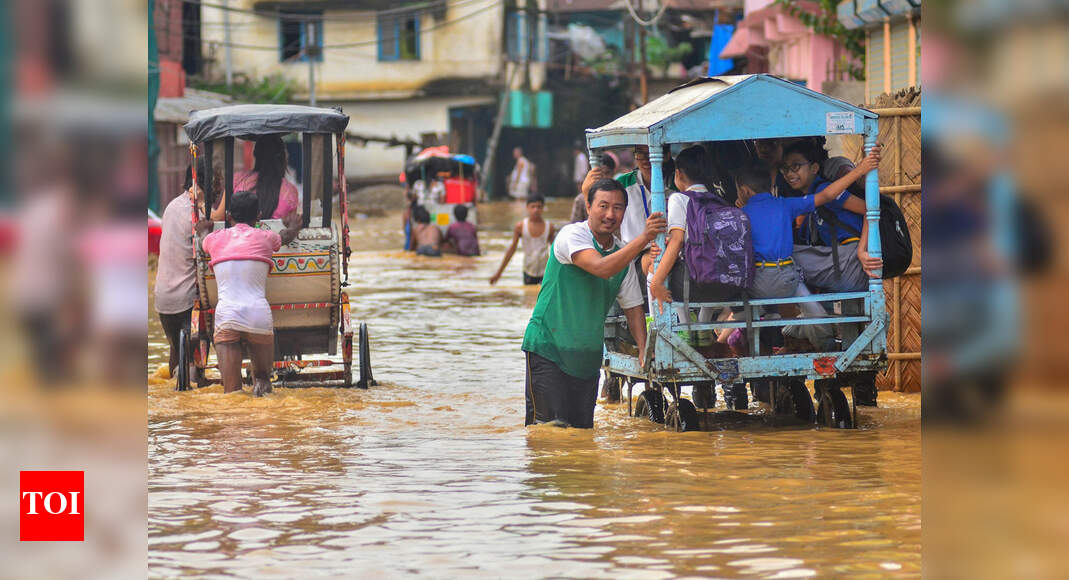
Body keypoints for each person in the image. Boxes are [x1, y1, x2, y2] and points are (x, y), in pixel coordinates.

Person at [521, 179, 666, 428]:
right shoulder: (572, 235)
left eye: (618, 208)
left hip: (587, 361)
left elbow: (633, 308)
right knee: (549, 433)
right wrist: (644, 239)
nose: (610, 214)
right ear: (588, 207)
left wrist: (644, 349)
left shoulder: (622, 256)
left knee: (581, 437)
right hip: (549, 350)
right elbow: (600, 267)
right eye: (603, 206)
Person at [197, 190, 300, 396]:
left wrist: (203, 229)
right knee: (263, 383)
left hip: (227, 316)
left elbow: (202, 240)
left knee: (232, 394)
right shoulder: (266, 237)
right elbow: (286, 236)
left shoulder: (214, 239)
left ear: (228, 216)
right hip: (257, 315)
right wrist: (295, 226)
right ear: (259, 216)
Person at [155, 161, 212, 379]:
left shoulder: (171, 206)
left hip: (163, 297)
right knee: (190, 364)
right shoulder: (198, 213)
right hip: (187, 299)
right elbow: (207, 251)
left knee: (176, 352)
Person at [211, 134, 300, 222]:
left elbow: (219, 217)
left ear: (255, 155)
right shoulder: (291, 191)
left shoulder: (237, 179)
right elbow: (291, 225)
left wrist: (201, 202)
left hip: (239, 235)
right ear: (283, 158)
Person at [490, 195, 555, 285]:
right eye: (533, 207)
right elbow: (512, 249)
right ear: (527, 208)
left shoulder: (549, 227)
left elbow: (555, 251)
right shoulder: (520, 226)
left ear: (543, 208)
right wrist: (498, 273)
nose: (536, 210)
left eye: (539, 207)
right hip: (528, 270)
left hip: (546, 271)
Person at [571, 153, 616, 223]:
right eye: (599, 174)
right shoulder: (581, 200)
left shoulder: (618, 198)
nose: (603, 177)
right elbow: (574, 226)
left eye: (607, 173)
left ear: (613, 173)